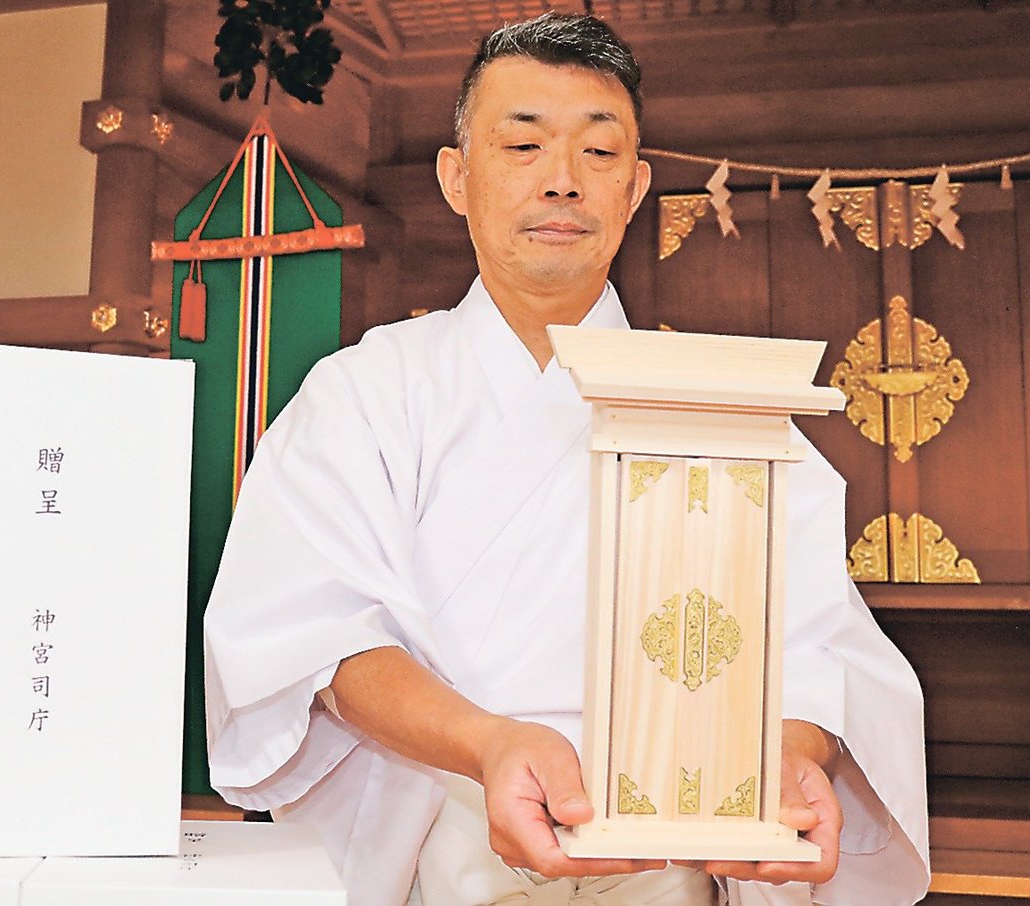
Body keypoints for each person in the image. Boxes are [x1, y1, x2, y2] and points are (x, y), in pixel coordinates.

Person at [204, 13, 928, 906]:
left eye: (599, 152)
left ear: (636, 186)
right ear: (457, 177)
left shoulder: (721, 401)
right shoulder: (366, 392)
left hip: (679, 856)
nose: (562, 180)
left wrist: (783, 754)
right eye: (523, 145)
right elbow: (313, 631)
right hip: (448, 838)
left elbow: (823, 647)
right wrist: (485, 746)